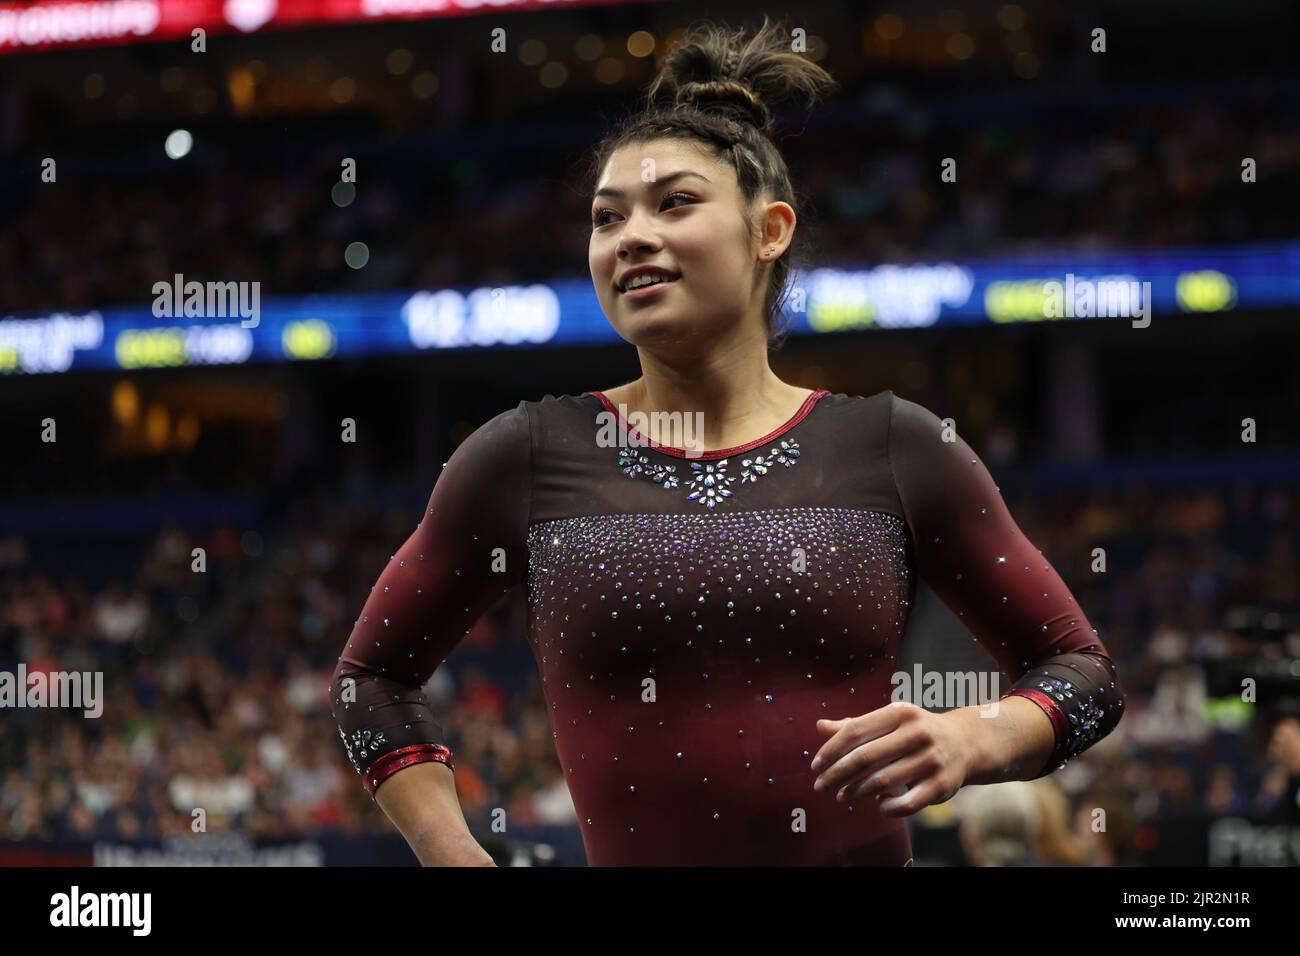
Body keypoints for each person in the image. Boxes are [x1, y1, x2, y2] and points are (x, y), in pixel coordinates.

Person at [328, 17, 1125, 866]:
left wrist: (977, 738)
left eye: (675, 202)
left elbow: (1083, 672)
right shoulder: (523, 455)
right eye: (606, 218)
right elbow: (369, 681)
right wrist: (454, 854)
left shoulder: (893, 445)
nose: (632, 234)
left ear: (769, 229)